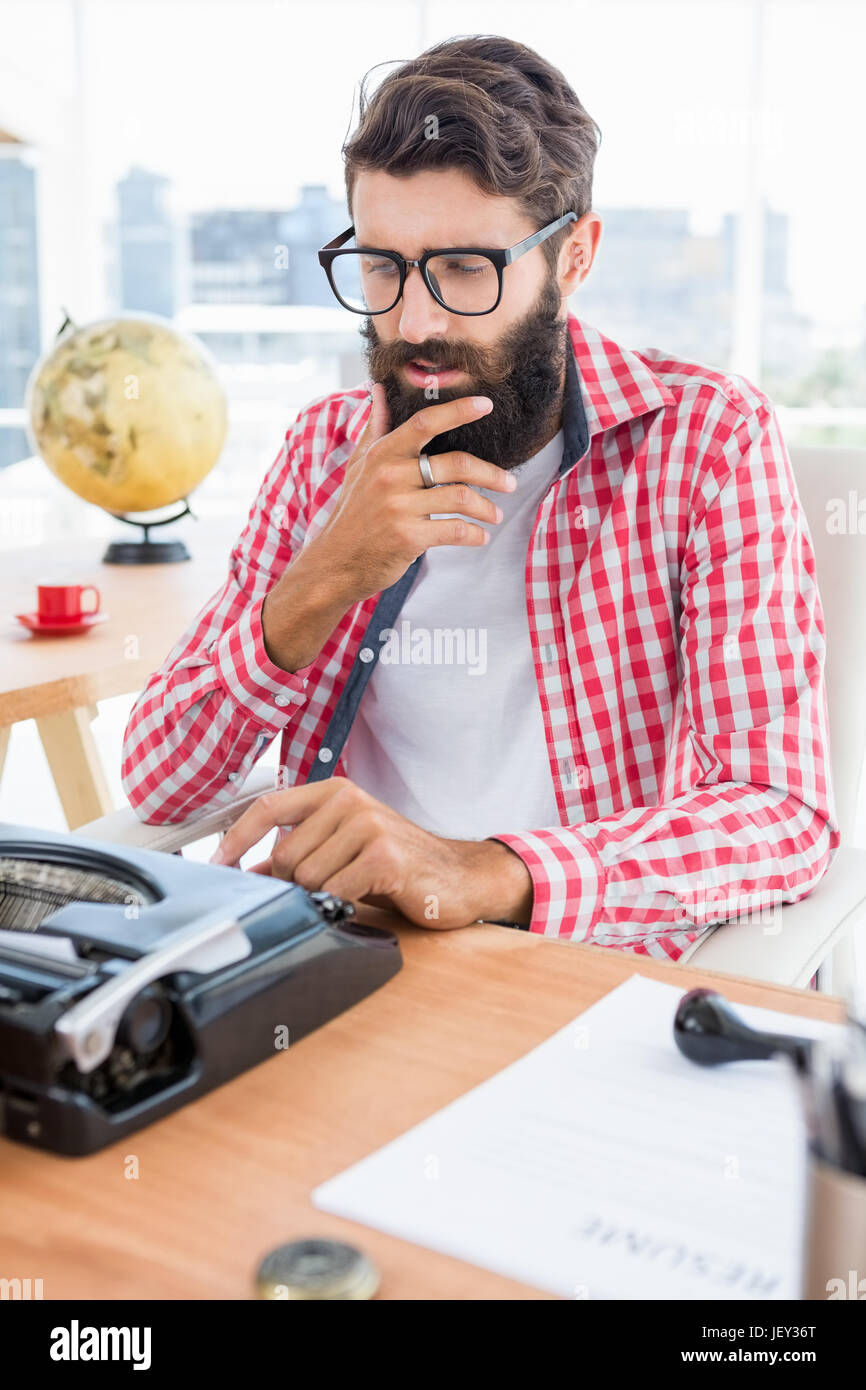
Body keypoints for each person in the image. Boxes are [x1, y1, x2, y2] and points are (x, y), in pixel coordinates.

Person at [121, 35, 838, 959]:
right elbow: (158, 782)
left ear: (573, 257)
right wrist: (318, 583)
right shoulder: (320, 452)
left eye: (466, 268)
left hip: (571, 967)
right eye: (382, 266)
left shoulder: (704, 440)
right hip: (333, 962)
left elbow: (781, 813)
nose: (415, 321)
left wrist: (487, 871)